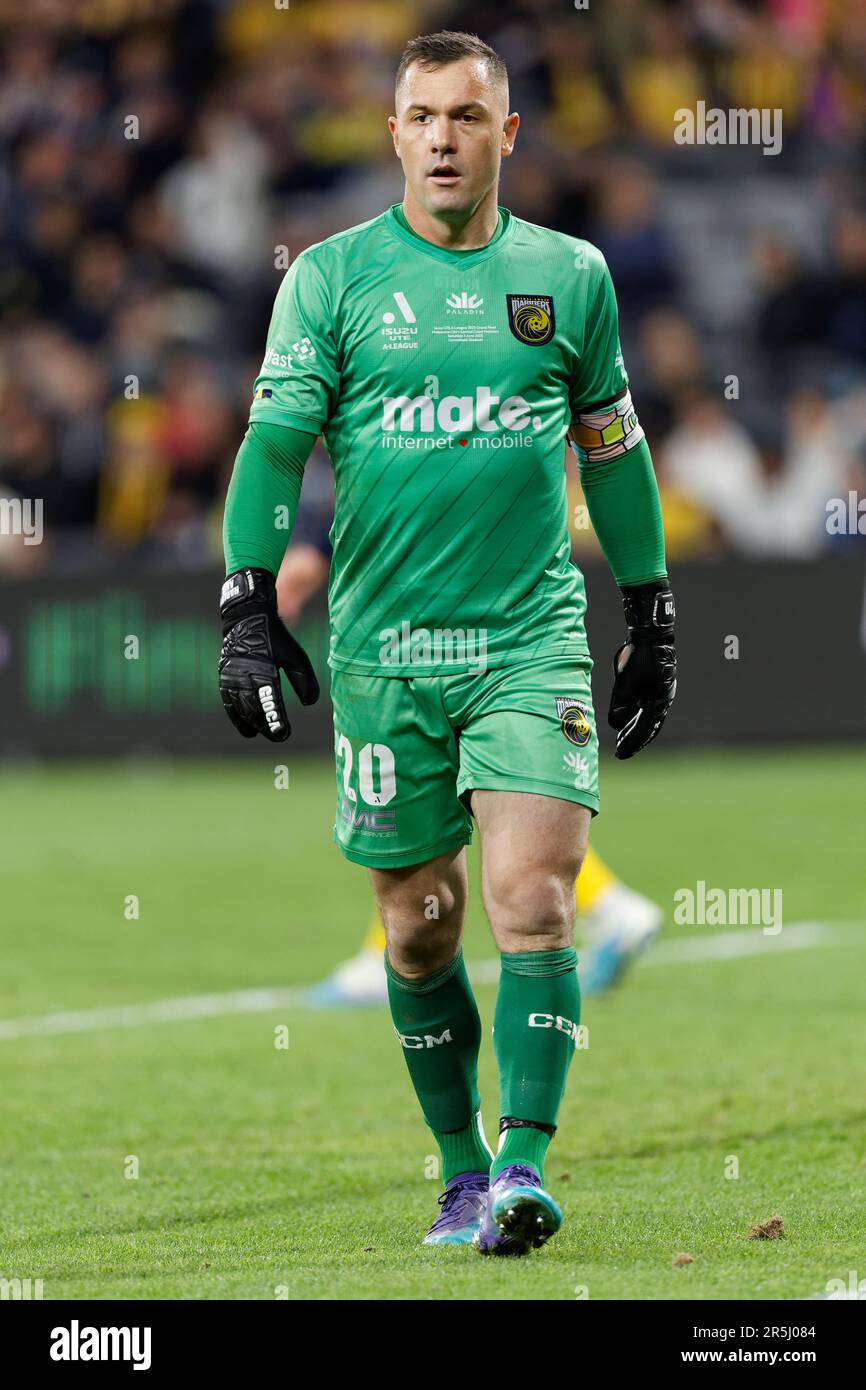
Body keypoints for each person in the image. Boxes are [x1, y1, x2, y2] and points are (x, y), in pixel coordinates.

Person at [219, 30, 676, 1257]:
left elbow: (612, 448)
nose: (440, 137)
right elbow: (273, 450)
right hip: (383, 657)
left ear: (505, 135)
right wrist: (248, 602)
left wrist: (654, 610)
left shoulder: (569, 276)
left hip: (526, 642)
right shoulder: (329, 278)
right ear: (391, 134)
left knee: (532, 903)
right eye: (420, 115)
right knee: (418, 927)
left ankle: (523, 1167)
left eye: (465, 116)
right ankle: (461, 1167)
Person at [272, 531, 665, 1007]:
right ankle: (611, 907)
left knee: (436, 788)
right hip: (477, 601)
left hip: (449, 616)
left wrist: (316, 550)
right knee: (486, 796)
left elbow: (404, 485)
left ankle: (609, 908)